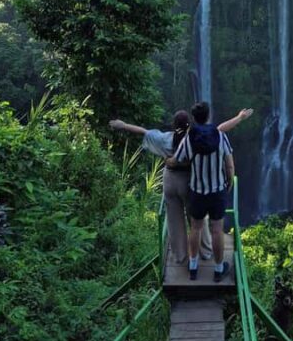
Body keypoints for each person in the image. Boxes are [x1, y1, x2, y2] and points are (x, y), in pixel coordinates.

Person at [108, 107, 253, 265]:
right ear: (189, 124)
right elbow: (219, 130)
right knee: (197, 220)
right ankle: (205, 251)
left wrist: (123, 125)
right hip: (189, 182)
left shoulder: (164, 139)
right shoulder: (194, 139)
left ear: (173, 125)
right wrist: (239, 117)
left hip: (170, 181)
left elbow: (144, 131)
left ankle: (180, 255)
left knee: (173, 219)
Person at [170, 101, 252, 282]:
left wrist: (168, 162)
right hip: (217, 192)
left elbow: (178, 159)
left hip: (197, 191)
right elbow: (230, 165)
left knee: (196, 228)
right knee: (217, 230)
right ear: (208, 115)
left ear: (194, 118)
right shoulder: (220, 136)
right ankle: (217, 268)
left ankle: (193, 266)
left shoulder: (189, 138)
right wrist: (229, 182)